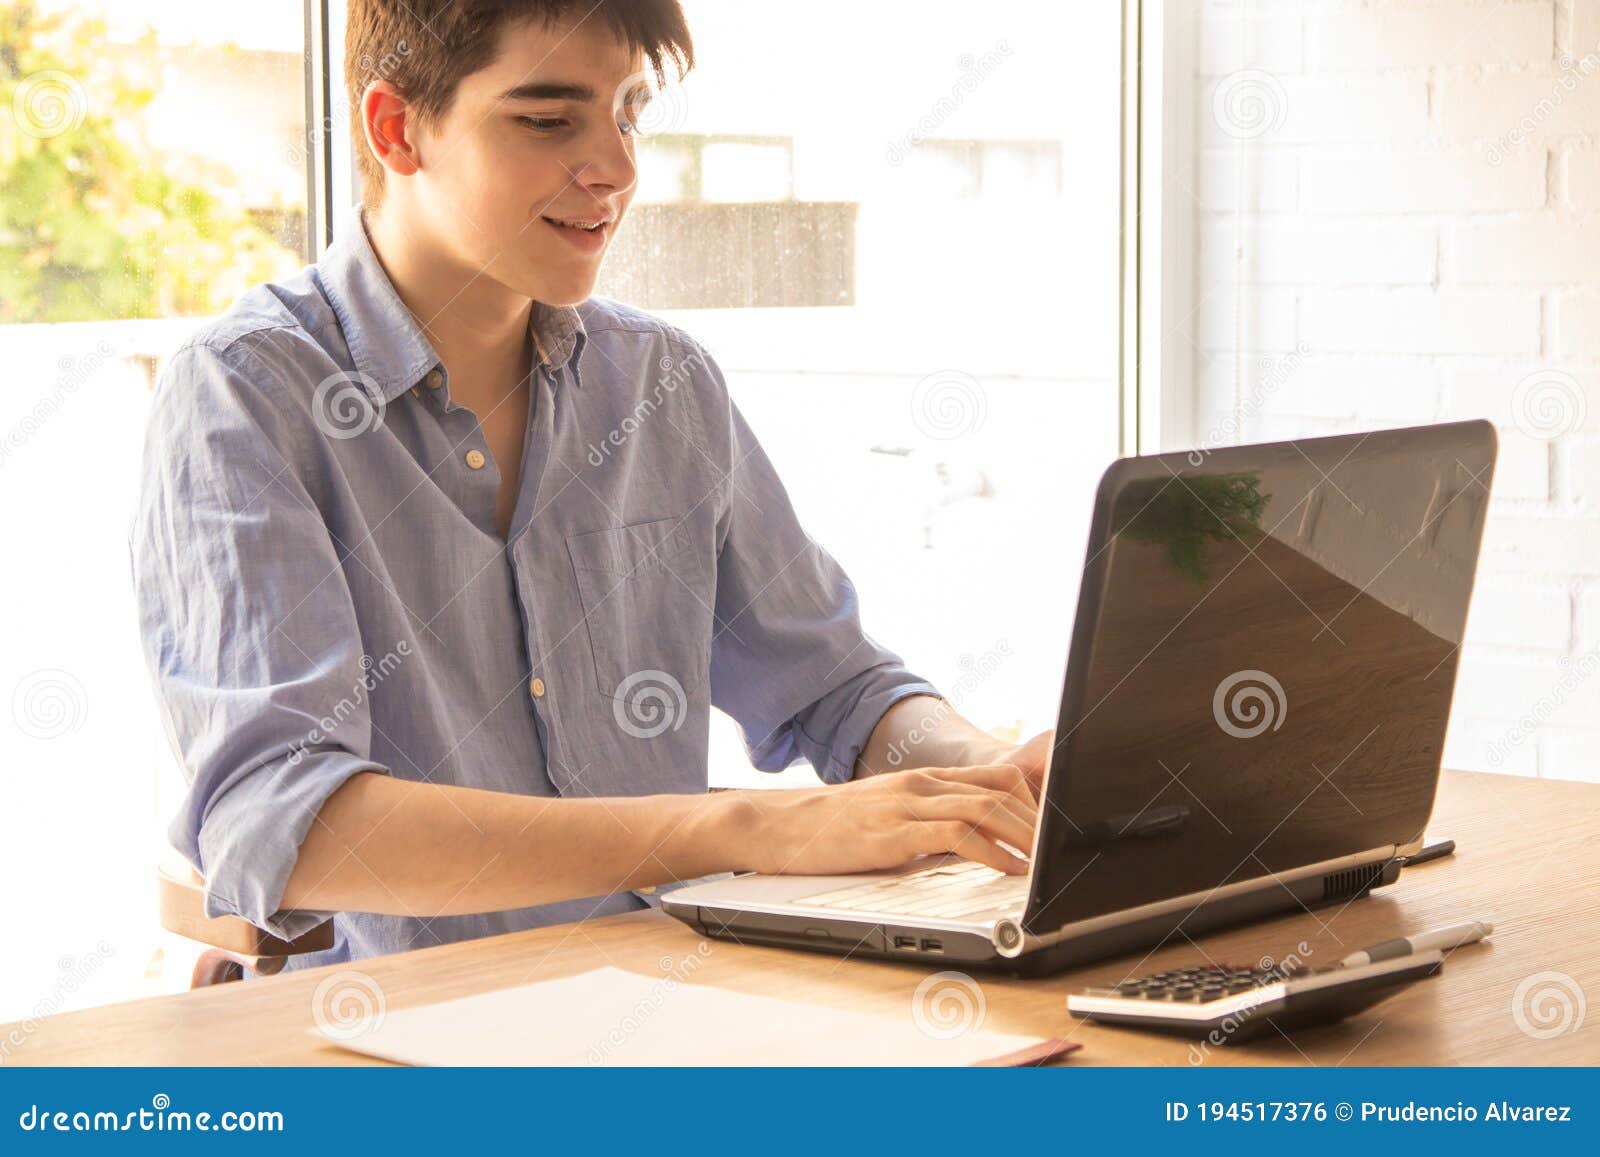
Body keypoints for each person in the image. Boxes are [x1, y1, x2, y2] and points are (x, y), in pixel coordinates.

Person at [130, 0, 1048, 969]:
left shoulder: (662, 383)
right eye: (547, 119)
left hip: (670, 1024)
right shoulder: (246, 397)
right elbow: (289, 820)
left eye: (628, 113)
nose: (614, 166)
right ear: (397, 130)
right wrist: (739, 828)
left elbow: (837, 691)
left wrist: (982, 770)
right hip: (395, 1055)